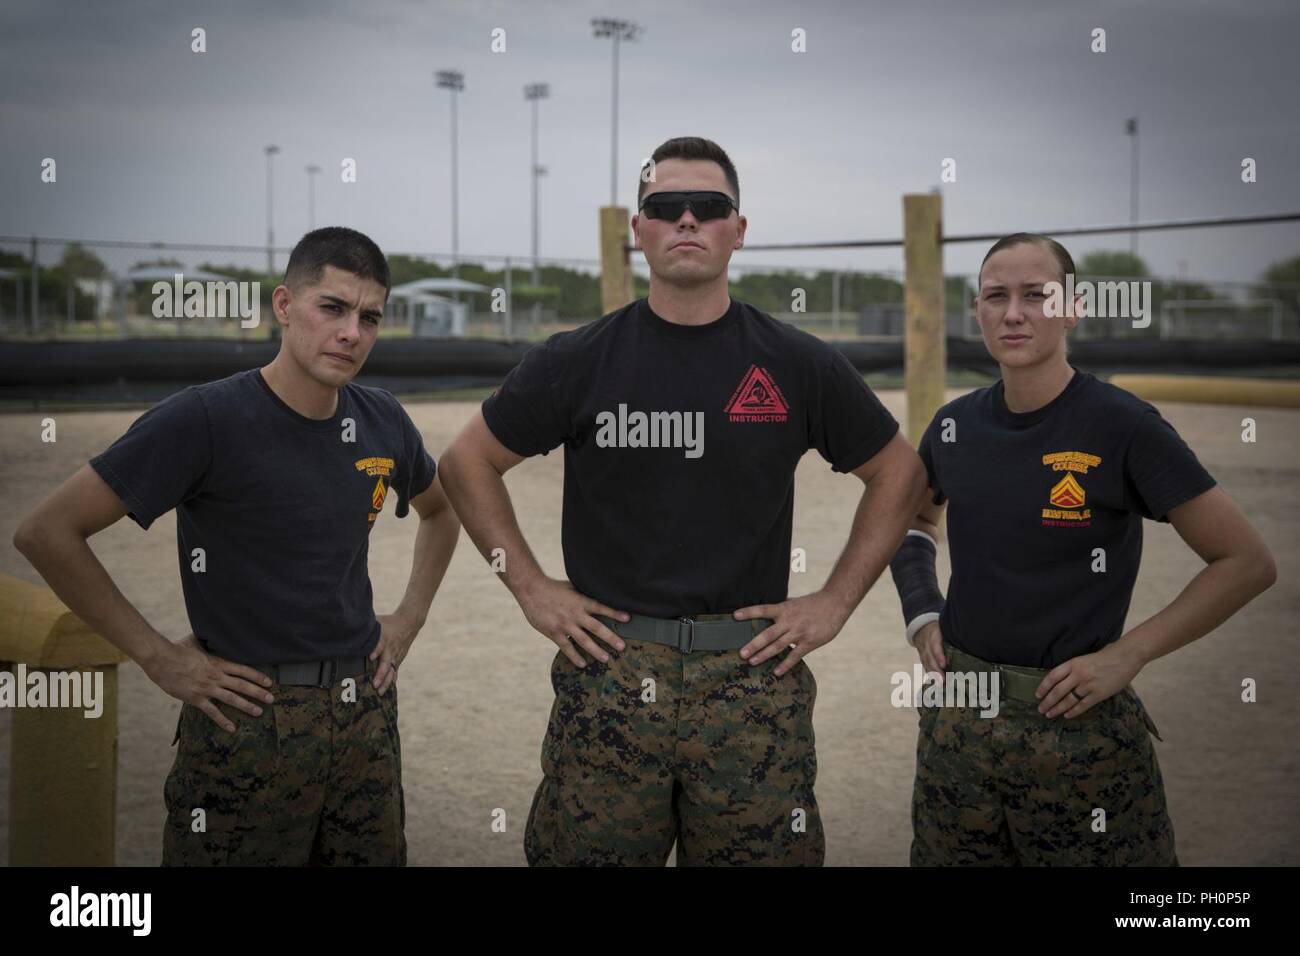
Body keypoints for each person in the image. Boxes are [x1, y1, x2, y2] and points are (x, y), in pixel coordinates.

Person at [438, 136, 926, 866]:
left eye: (710, 207)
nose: (688, 221)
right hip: (609, 675)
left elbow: (900, 473)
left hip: (751, 684)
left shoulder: (795, 362)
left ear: (739, 229)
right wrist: (533, 590)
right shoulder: (579, 359)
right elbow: (467, 461)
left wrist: (833, 603)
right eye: (666, 208)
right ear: (639, 231)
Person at [13, 227, 461, 866]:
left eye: (370, 317)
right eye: (331, 308)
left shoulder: (382, 418)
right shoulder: (205, 420)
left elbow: (441, 510)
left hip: (363, 723)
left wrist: (409, 617)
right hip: (246, 725)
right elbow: (47, 533)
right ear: (284, 305)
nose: (351, 333)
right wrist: (157, 658)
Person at [890, 232, 1277, 866]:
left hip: (1076, 730)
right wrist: (921, 612)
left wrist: (1129, 654)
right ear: (978, 312)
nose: (1014, 313)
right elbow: (914, 523)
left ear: (1073, 307)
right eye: (996, 296)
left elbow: (1246, 563)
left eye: (1036, 295)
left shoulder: (1123, 426)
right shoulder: (955, 426)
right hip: (958, 728)